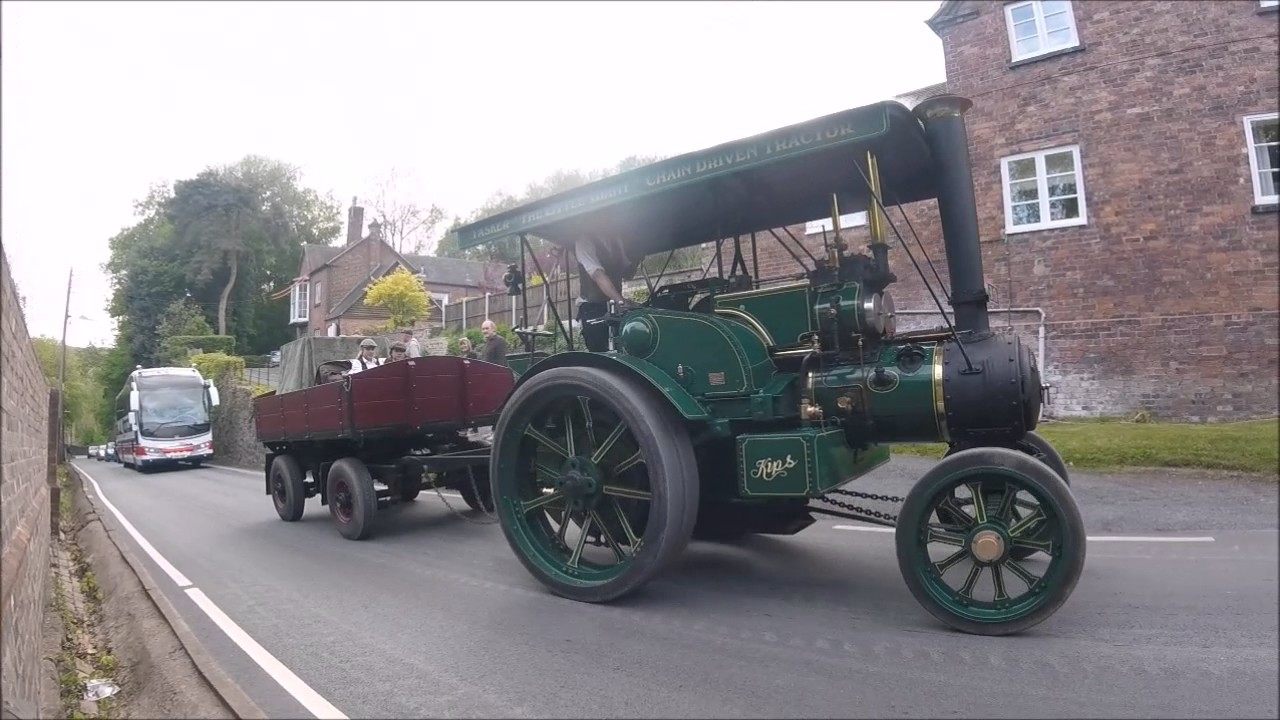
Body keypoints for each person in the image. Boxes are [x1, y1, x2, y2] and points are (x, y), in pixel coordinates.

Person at [574, 234, 642, 352]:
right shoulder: (584, 242)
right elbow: (597, 275)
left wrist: (637, 258)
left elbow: (627, 274)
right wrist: (621, 302)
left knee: (621, 348)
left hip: (614, 307)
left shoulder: (616, 240)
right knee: (600, 353)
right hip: (592, 308)